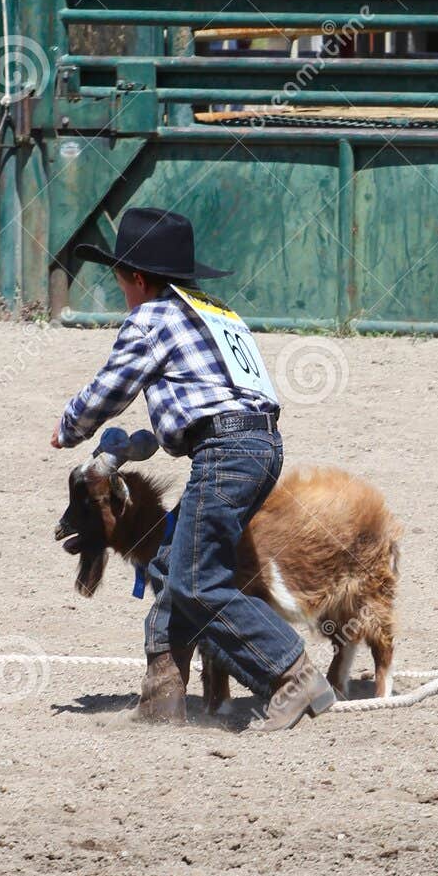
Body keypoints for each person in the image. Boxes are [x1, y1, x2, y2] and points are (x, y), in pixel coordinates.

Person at [50, 206, 335, 733]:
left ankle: (291, 672)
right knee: (167, 561)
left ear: (136, 278)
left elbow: (110, 389)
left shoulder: (151, 318)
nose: (122, 292)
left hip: (224, 451)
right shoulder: (215, 310)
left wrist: (70, 427)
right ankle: (164, 691)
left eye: (120, 280)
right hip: (261, 446)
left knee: (197, 580)